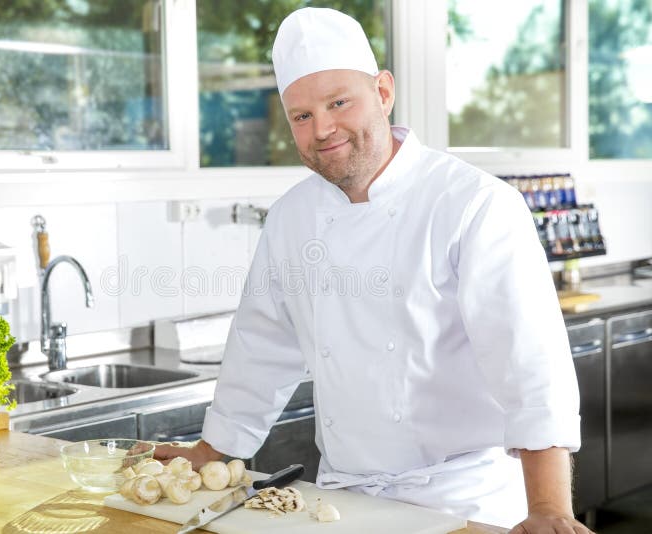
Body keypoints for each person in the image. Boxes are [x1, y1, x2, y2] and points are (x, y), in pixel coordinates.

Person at [156, 7, 591, 532]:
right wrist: (214, 449)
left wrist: (547, 508)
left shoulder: (474, 204)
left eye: (339, 102)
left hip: (461, 501)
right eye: (302, 116)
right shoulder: (292, 217)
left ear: (383, 92)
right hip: (346, 501)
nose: (323, 129)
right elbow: (262, 345)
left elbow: (530, 361)